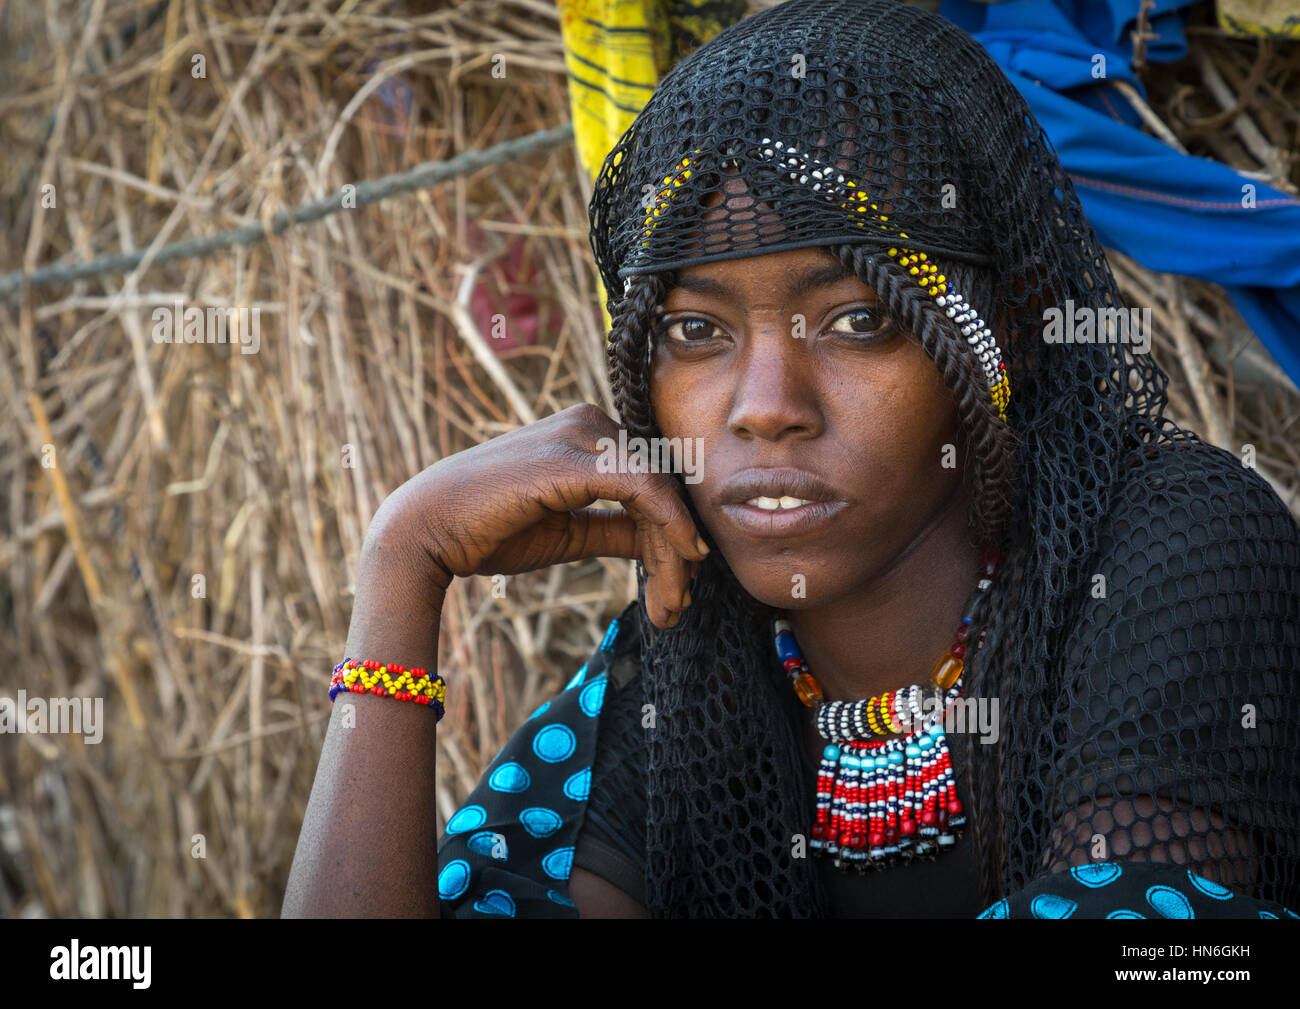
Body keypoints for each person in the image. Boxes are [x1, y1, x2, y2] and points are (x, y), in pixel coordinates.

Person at [282, 0, 1300, 919]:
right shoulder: (685, 669)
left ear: (1012, 329)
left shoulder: (1174, 554)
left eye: (858, 319)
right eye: (694, 332)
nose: (765, 409)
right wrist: (400, 566)